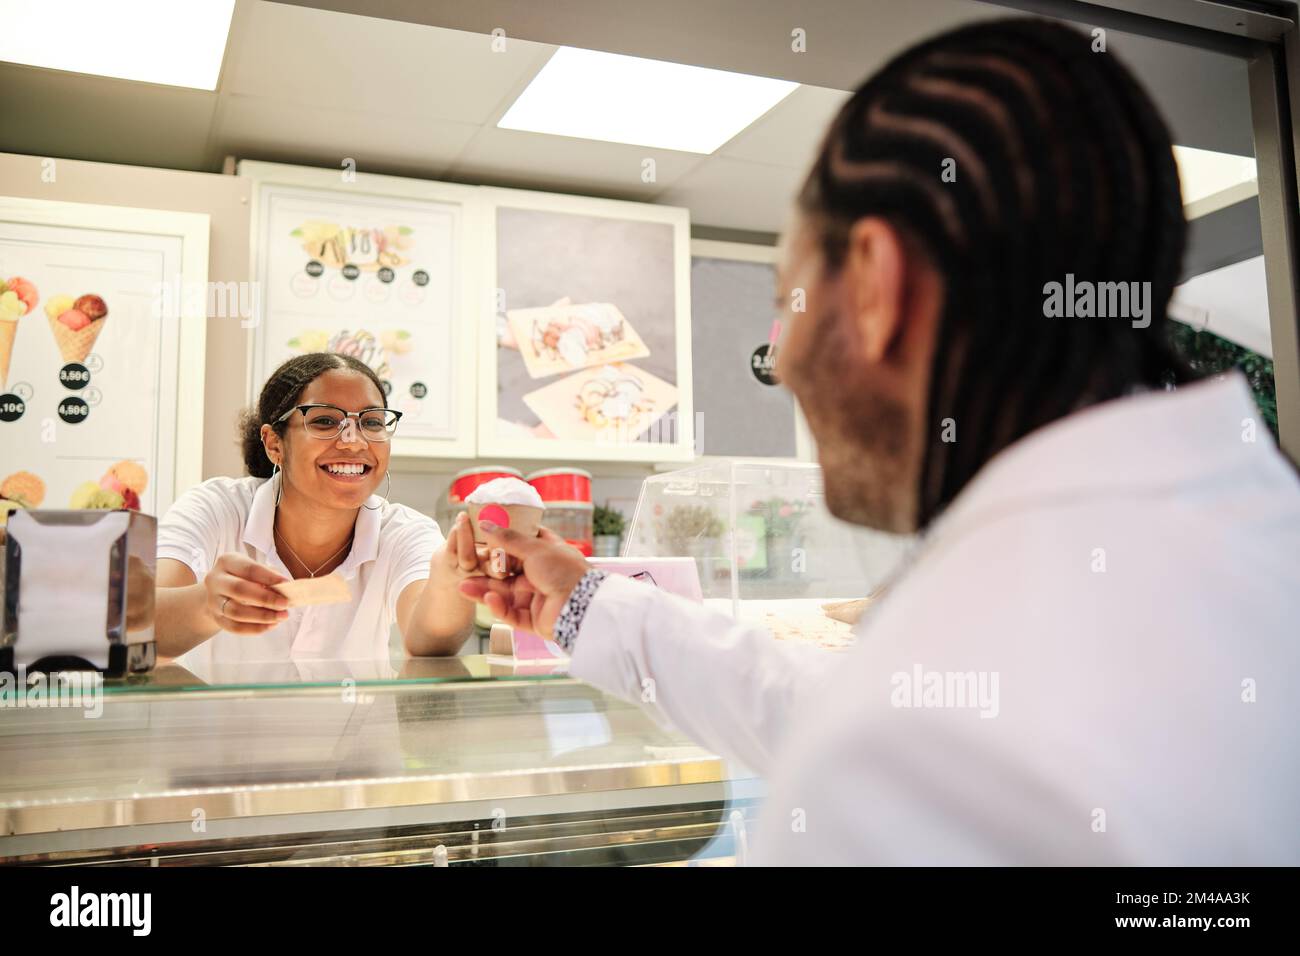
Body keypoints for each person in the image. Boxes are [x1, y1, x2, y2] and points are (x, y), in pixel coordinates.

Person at [459, 17, 1300, 864]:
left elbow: (888, 729)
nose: (781, 368)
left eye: (788, 300)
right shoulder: (1245, 527)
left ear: (875, 284)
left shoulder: (916, 752)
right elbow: (841, 700)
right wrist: (582, 600)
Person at [155, 352, 482, 673]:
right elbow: (145, 625)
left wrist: (450, 580)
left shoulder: (406, 532)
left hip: (354, 729)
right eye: (325, 421)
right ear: (274, 444)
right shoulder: (215, 509)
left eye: (371, 422)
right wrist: (208, 605)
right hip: (219, 729)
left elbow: (428, 642)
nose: (354, 443)